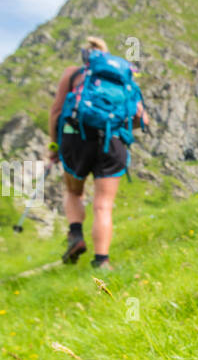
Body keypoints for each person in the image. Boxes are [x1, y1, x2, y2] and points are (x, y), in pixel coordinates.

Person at [46, 35, 149, 270]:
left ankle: (76, 235)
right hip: (112, 142)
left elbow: (56, 111)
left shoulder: (73, 73)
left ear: (85, 56)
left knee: (74, 192)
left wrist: (54, 146)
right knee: (103, 204)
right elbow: (142, 118)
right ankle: (102, 261)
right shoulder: (123, 76)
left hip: (76, 139)